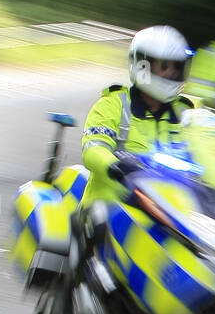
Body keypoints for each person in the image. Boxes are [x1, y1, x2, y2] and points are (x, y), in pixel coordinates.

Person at [80, 25, 192, 207]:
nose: (172, 72)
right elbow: (93, 149)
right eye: (164, 66)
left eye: (177, 67)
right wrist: (116, 166)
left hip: (167, 210)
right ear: (142, 66)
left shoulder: (185, 113)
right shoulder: (113, 104)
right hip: (109, 207)